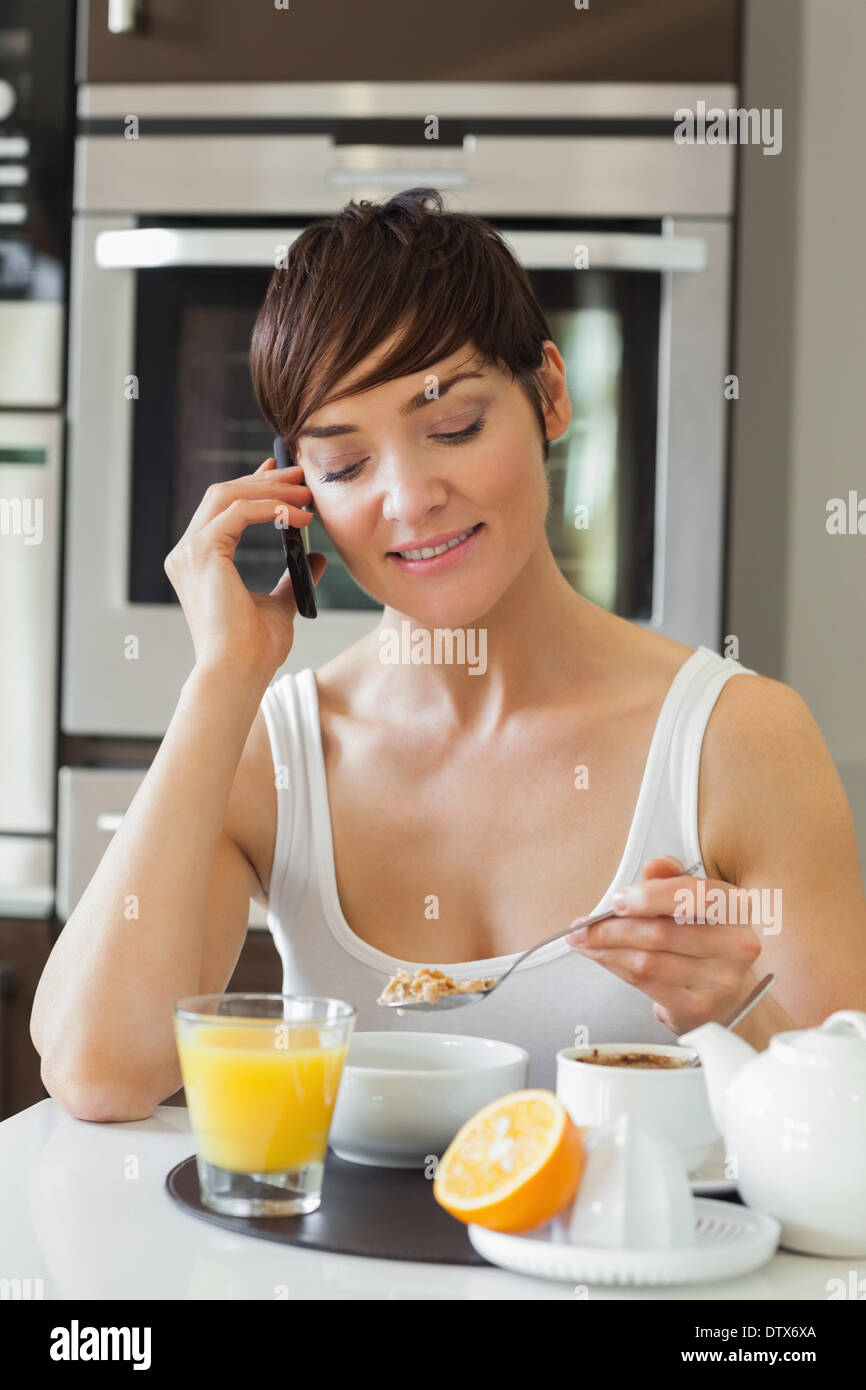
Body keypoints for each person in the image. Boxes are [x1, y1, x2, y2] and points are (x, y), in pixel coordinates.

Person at [32, 189, 866, 1116]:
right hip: (337, 1267)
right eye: (346, 466)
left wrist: (738, 1011)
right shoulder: (275, 753)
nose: (410, 498)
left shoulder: (739, 738)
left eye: (454, 427)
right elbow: (97, 1072)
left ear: (548, 393)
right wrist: (222, 680)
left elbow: (850, 1158)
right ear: (295, 490)